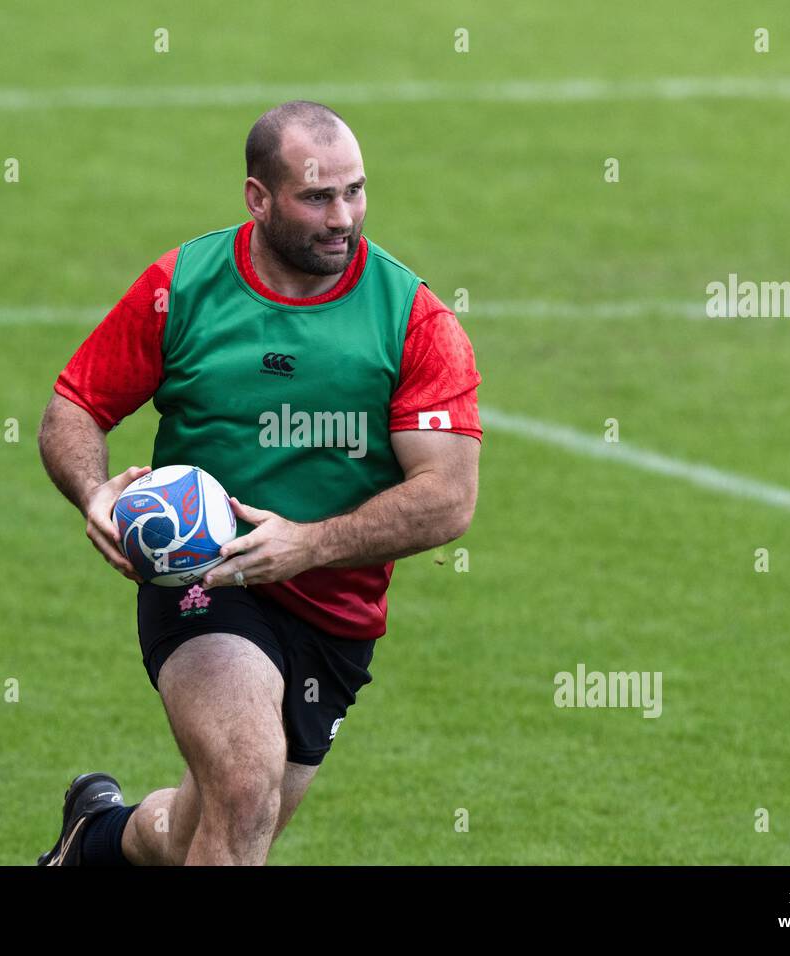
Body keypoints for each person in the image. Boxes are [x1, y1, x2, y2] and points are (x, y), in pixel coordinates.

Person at [36, 100, 482, 865]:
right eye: (317, 196)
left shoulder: (413, 318)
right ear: (258, 197)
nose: (343, 216)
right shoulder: (182, 287)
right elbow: (74, 408)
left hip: (334, 616)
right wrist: (94, 493)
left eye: (355, 190)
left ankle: (96, 837)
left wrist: (308, 544)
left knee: (195, 837)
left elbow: (448, 495)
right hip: (202, 582)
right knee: (244, 788)